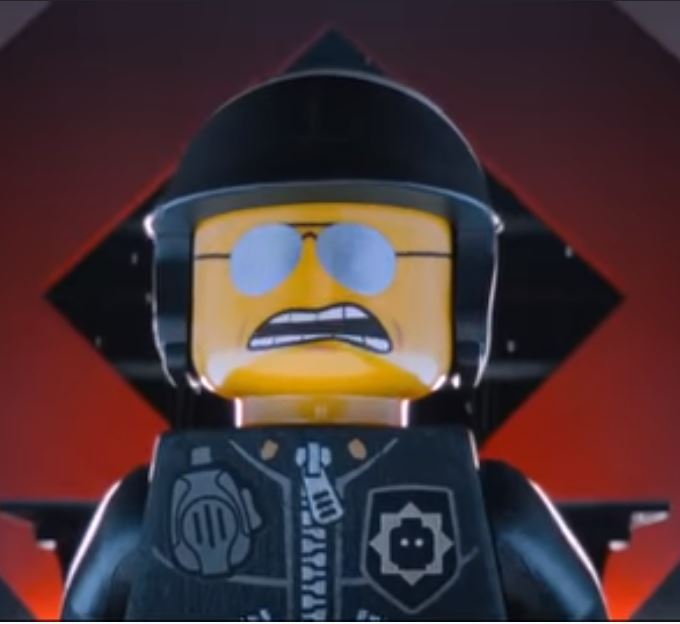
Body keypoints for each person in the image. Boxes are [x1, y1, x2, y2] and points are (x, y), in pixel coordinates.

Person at [61, 70, 608, 621]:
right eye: (260, 261)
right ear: (182, 298)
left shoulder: (497, 511)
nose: (315, 291)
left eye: (363, 259)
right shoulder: (142, 514)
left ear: (462, 296)